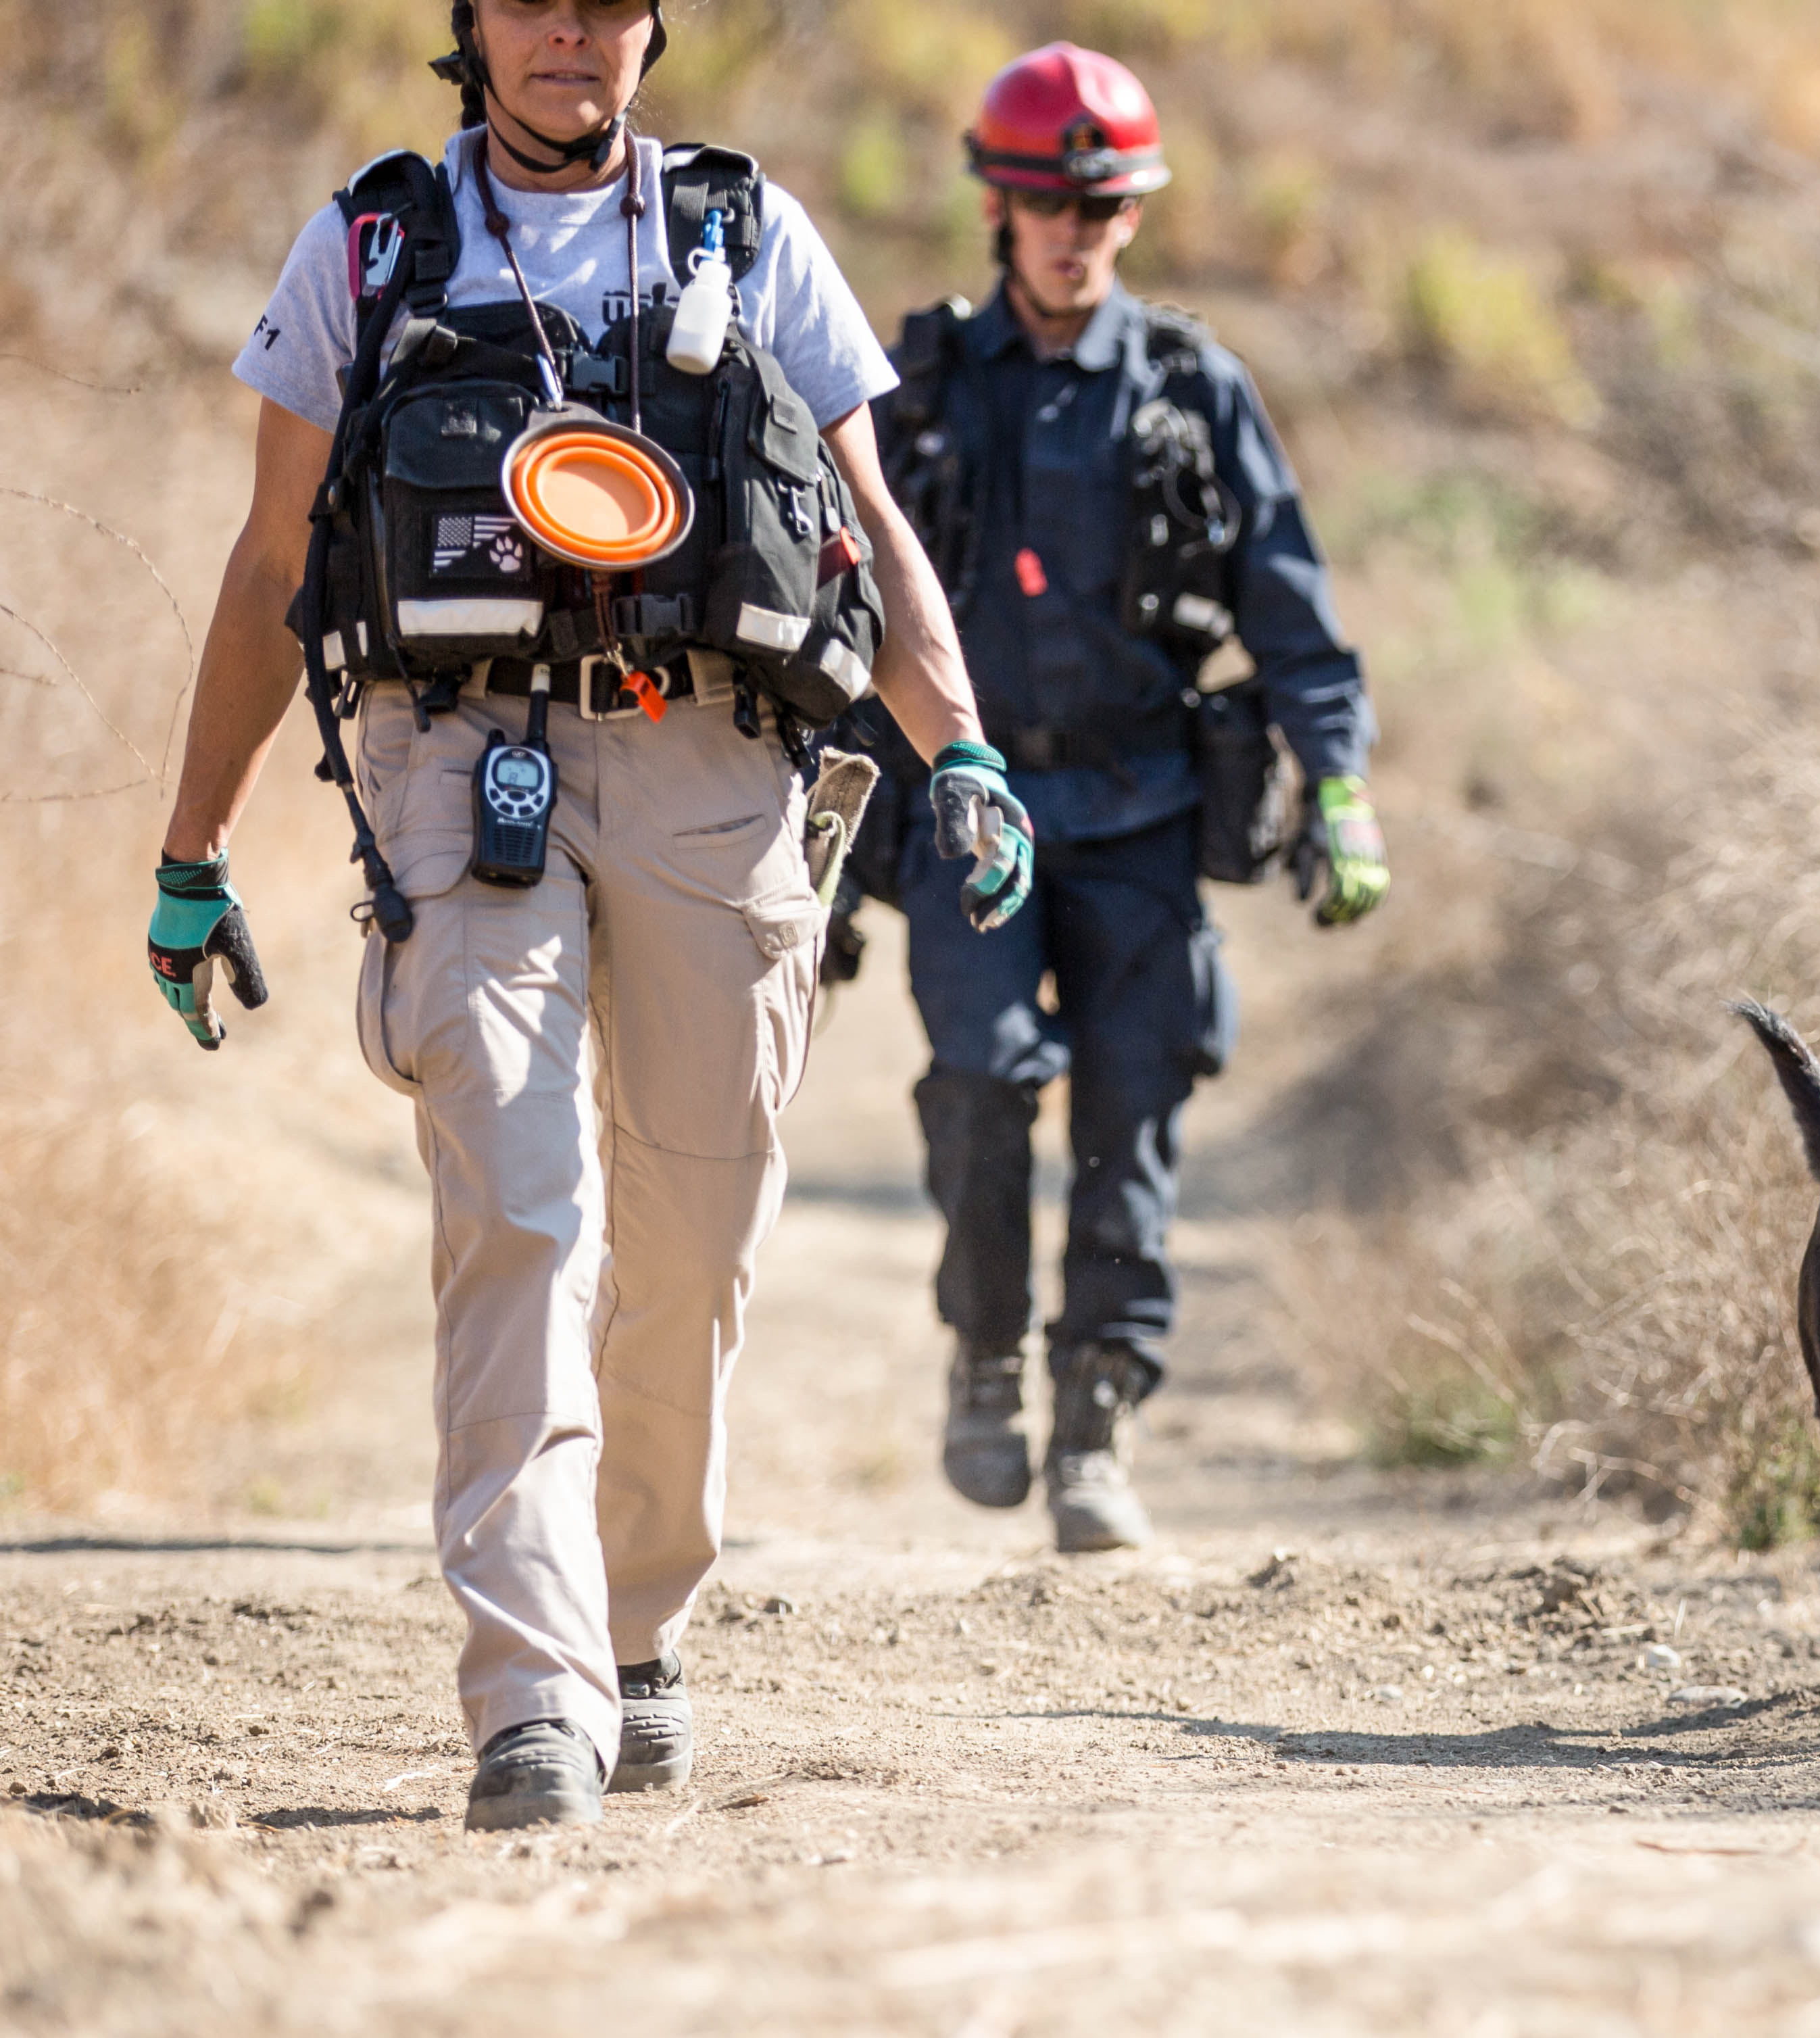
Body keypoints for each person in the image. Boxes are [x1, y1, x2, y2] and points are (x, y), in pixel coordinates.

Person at [148, 0, 1033, 1831]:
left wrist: (961, 746)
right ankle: (533, 1696)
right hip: (457, 767)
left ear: (651, 29)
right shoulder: (371, 247)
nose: (568, 27)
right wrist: (191, 848)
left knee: (693, 1244)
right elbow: (269, 564)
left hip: (714, 767)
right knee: (520, 1203)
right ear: (470, 26)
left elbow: (870, 520)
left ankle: (636, 1632)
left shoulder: (746, 232)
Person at [845, 42, 1388, 1553]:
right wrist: (808, 833)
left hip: (1142, 813)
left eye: (1099, 205)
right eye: (1046, 202)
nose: (1072, 231)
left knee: (1132, 1112)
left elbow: (1290, 607)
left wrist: (1340, 783)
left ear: (1131, 213)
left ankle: (1096, 1419)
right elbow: (838, 611)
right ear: (998, 206)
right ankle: (986, 1354)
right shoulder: (920, 388)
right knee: (983, 1084)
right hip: (970, 820)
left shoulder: (1195, 389)